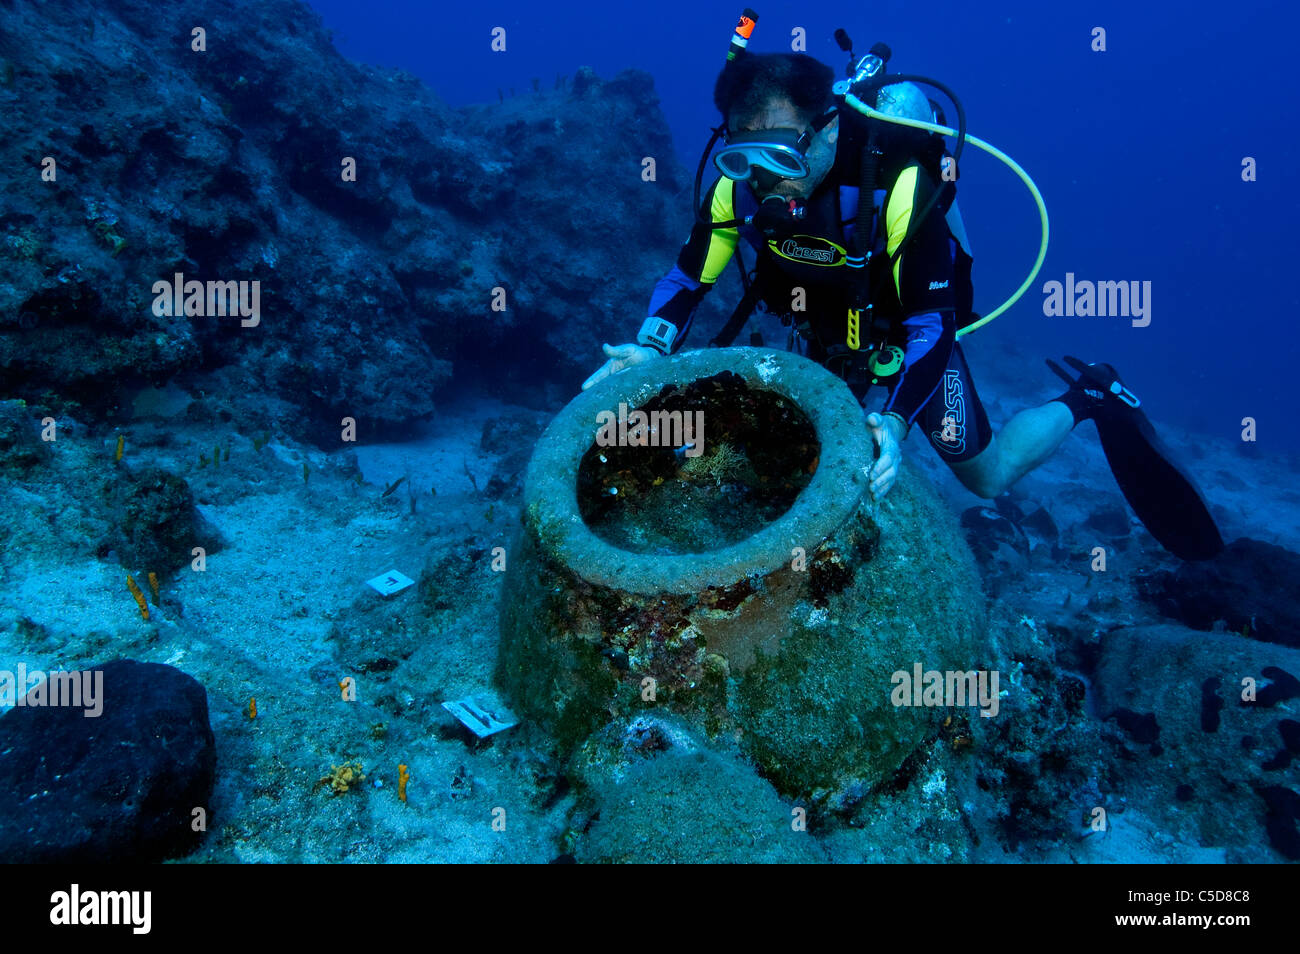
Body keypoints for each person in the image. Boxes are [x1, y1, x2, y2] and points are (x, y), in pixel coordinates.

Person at [583, 52, 1222, 561]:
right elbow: (689, 276)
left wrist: (894, 420)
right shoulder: (739, 188)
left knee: (987, 477)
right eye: (742, 158)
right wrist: (650, 344)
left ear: (827, 125)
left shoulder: (898, 184)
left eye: (781, 155)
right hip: (819, 332)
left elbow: (932, 323)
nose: (767, 181)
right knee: (791, 465)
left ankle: (1090, 396)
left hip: (907, 337)